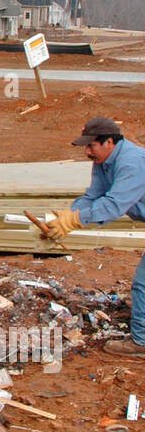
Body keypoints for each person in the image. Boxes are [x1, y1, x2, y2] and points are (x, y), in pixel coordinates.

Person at [49, 116, 145, 358]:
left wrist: (75, 220)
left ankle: (141, 343)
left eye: (91, 145)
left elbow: (113, 205)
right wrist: (69, 214)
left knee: (143, 285)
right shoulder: (104, 161)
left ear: (109, 142)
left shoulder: (132, 163)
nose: (87, 151)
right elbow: (93, 195)